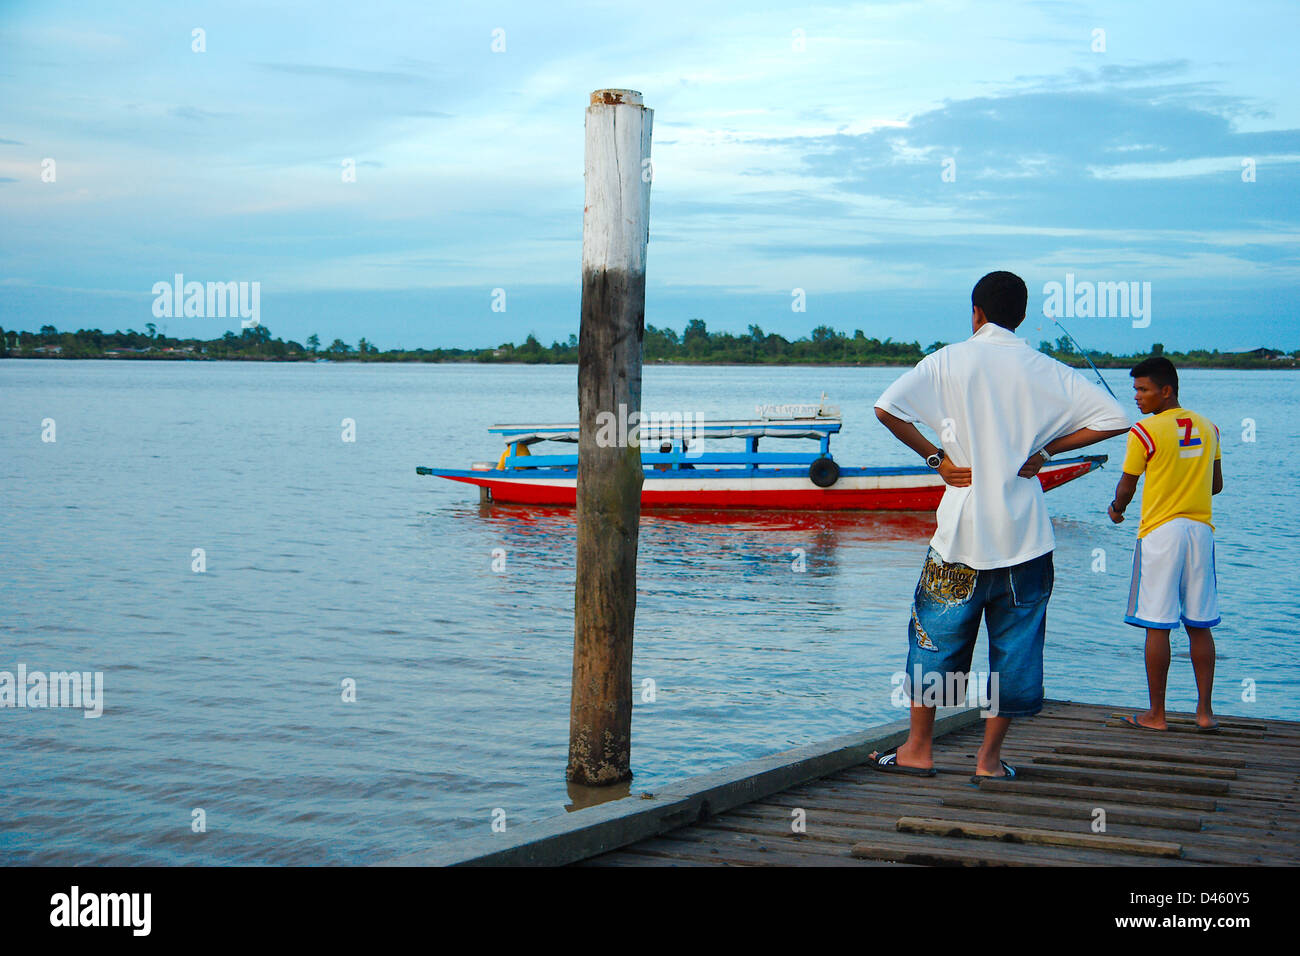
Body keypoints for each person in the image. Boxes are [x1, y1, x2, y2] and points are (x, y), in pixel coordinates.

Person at [868, 271, 1129, 779]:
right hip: (1025, 537)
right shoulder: (1044, 368)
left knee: (934, 642)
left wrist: (934, 458)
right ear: (1021, 316)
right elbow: (1116, 419)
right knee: (1016, 649)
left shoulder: (948, 360)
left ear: (976, 313)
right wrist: (1048, 450)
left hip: (959, 535)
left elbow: (886, 408)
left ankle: (918, 750)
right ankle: (988, 761)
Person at [1108, 356, 1223, 732]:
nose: (1137, 397)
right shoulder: (1209, 428)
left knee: (1158, 625)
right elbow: (1216, 485)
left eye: (1143, 389)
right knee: (1200, 624)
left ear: (1166, 390)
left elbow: (1127, 484)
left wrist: (1116, 508)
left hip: (1161, 533)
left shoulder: (1144, 432)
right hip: (1200, 533)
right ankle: (1204, 713)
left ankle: (1156, 715)